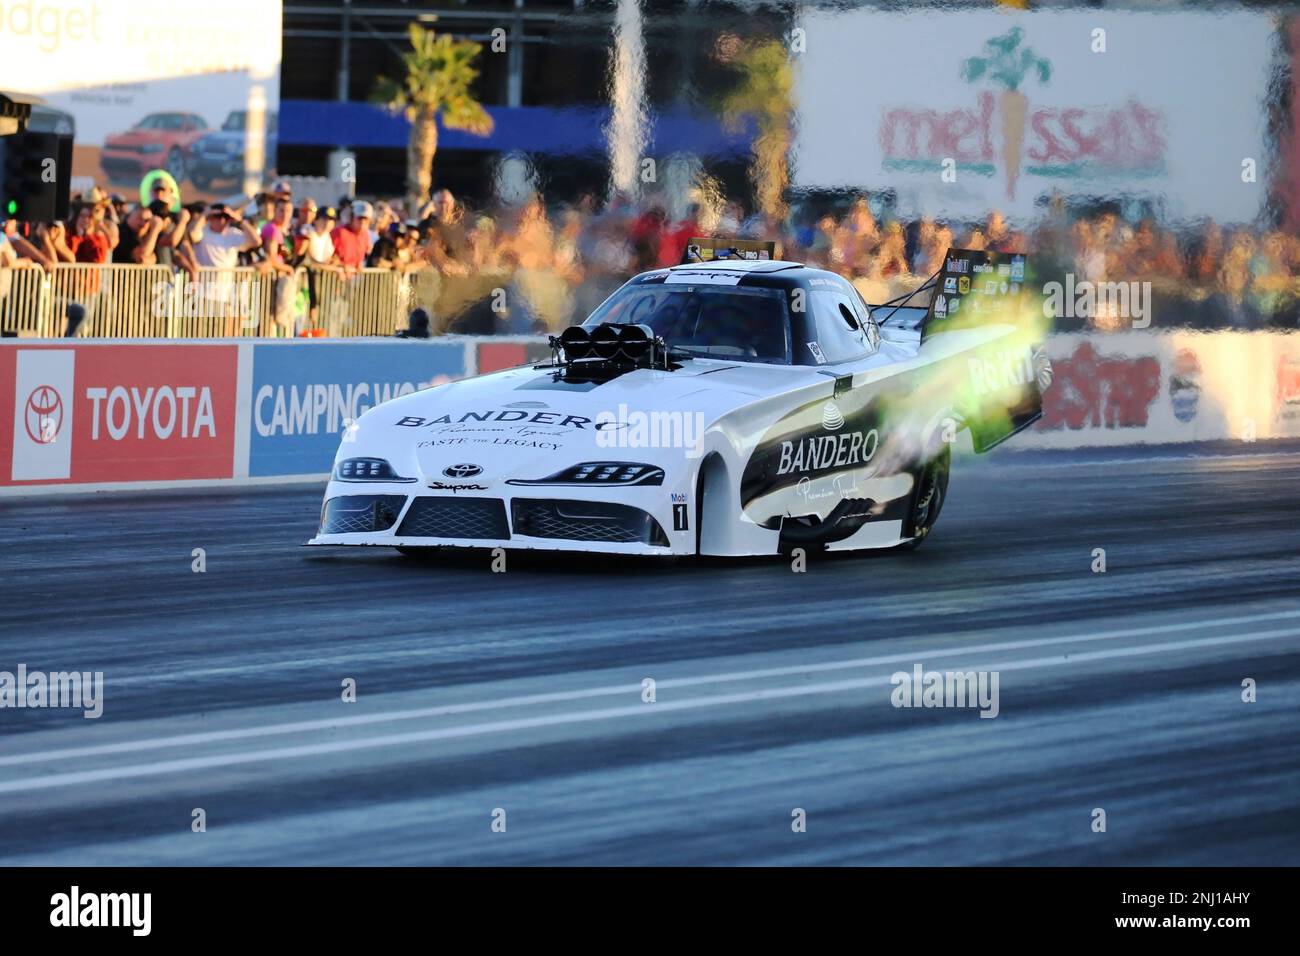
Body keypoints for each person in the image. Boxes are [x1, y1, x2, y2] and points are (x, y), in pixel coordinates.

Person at [189, 203, 261, 270]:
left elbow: (256, 241)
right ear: (210, 217)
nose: (222, 220)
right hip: (206, 281)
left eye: (226, 217)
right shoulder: (203, 231)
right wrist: (205, 215)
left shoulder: (233, 233)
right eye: (218, 216)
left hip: (227, 282)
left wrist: (240, 220)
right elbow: (193, 235)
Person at [331, 200, 372, 272]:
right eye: (359, 218)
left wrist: (359, 263)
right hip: (337, 277)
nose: (362, 222)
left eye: (366, 219)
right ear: (352, 217)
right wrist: (342, 265)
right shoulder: (339, 232)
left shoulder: (365, 235)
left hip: (355, 278)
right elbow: (329, 257)